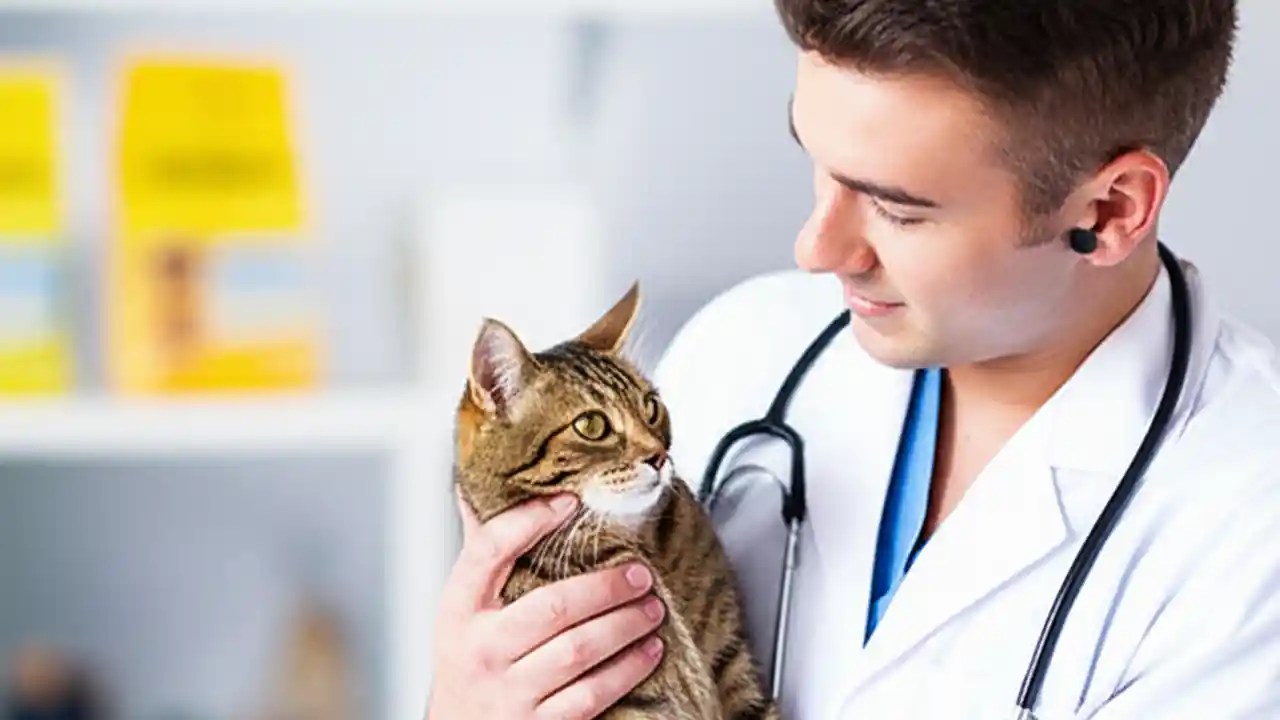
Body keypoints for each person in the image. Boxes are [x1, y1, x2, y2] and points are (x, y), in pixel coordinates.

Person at [426, 1, 1280, 718]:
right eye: (818, 166)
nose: (813, 247)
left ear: (1113, 207)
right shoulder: (745, 351)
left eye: (898, 210)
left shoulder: (1246, 540)